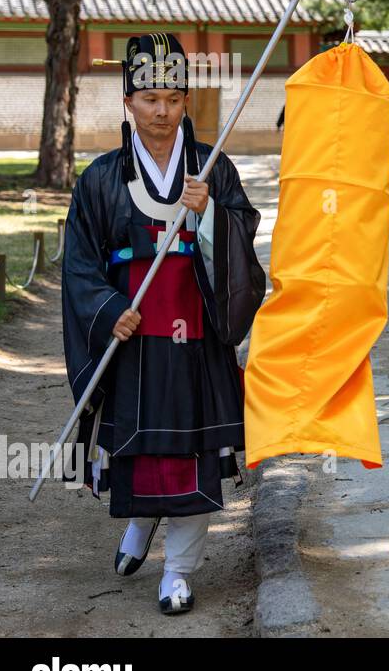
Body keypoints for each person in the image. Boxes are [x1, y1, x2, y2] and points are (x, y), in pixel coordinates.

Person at [62, 33, 265, 615]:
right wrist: (107, 311)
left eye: (173, 99)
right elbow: (79, 262)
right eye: (149, 97)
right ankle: (140, 524)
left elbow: (244, 238)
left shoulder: (211, 167)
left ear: (186, 105)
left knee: (192, 453)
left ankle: (178, 572)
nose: (161, 110)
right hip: (134, 338)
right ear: (128, 101)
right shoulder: (101, 178)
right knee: (142, 450)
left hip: (196, 335)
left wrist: (212, 217)